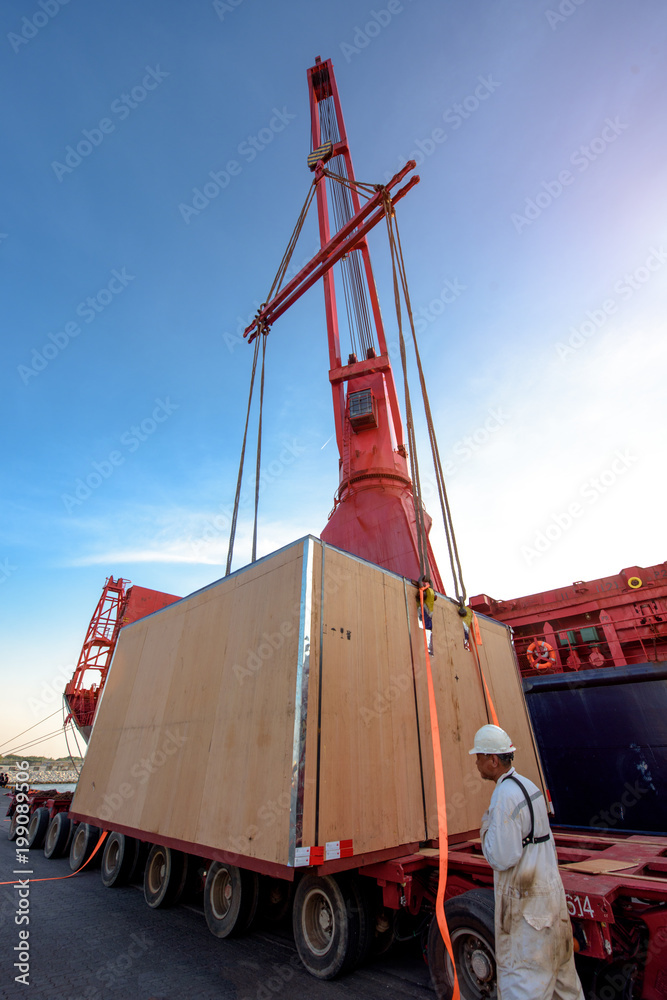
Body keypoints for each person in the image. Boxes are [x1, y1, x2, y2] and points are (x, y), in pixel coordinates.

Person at [469, 724, 584, 1000]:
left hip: (527, 910)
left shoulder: (504, 796)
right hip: (551, 903)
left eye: (479, 757)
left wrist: (485, 829)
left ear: (493, 760)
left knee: (523, 986)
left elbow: (503, 857)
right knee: (564, 986)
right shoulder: (529, 786)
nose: (476, 763)